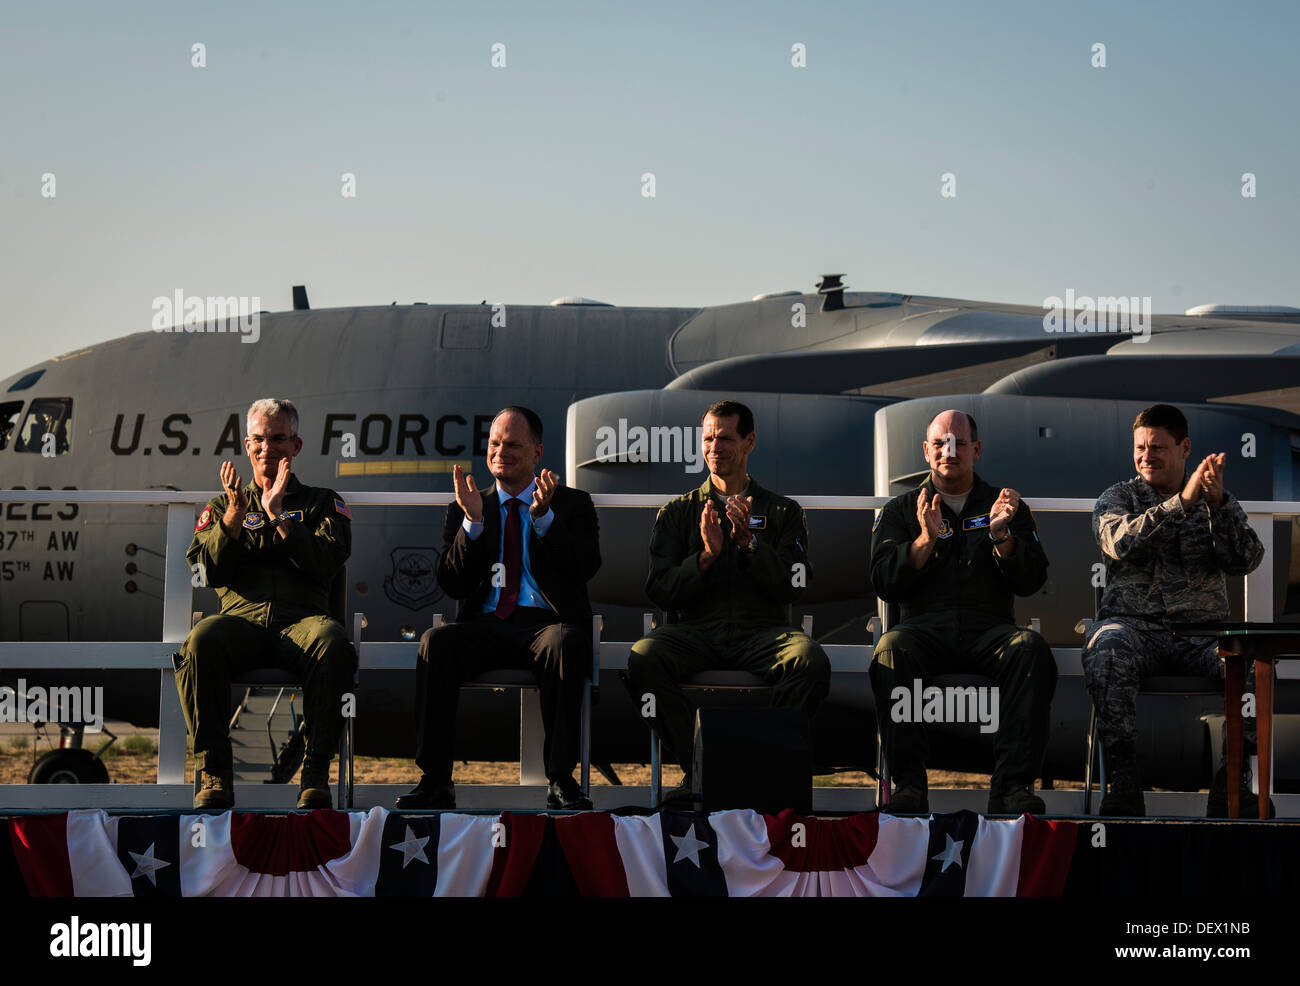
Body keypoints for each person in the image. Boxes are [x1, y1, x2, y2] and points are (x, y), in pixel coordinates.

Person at [626, 400, 831, 806]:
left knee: (810, 663)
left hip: (764, 633)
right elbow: (659, 588)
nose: (714, 447)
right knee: (643, 659)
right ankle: (700, 769)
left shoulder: (781, 511)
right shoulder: (679, 512)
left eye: (725, 437)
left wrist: (750, 545)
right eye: (707, 438)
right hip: (697, 632)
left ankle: (765, 772)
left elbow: (797, 583)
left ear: (749, 441)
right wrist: (704, 558)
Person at [396, 406, 601, 811]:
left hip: (546, 624)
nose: (500, 452)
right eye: (494, 444)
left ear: (537, 452)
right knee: (435, 643)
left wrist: (544, 521)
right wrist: (472, 524)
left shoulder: (573, 504)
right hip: (486, 623)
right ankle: (435, 780)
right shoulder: (468, 505)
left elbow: (586, 568)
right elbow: (452, 583)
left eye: (512, 444)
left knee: (565, 644)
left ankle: (561, 780)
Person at [1082, 403, 1267, 817]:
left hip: (1201, 634)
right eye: (1141, 447)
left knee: (1252, 663)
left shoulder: (1214, 502)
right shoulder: (1119, 496)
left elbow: (1247, 560)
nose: (1147, 456)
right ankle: (1123, 782)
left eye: (1158, 447)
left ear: (1185, 448)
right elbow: (1120, 542)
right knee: (1107, 649)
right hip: (1133, 628)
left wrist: (1219, 508)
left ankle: (1232, 786)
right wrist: (1179, 505)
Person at [870, 409, 1055, 815]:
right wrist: (924, 540)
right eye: (939, 443)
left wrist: (1001, 535)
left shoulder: (1005, 505)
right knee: (891, 649)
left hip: (989, 629)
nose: (948, 451)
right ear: (926, 451)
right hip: (923, 628)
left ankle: (1011, 789)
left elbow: (1032, 580)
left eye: (958, 443)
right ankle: (908, 788)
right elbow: (884, 582)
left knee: (1031, 649)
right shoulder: (901, 510)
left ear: (976, 449)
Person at [178, 398, 355, 810]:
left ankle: (315, 775)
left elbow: (328, 561)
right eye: (258, 439)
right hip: (242, 622)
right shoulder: (224, 505)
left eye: (278, 439)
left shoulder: (323, 503)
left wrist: (279, 519)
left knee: (332, 642)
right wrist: (232, 523)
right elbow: (204, 572)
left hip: (303, 621)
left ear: (297, 446)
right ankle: (215, 774)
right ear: (246, 444)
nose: (267, 448)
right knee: (201, 640)